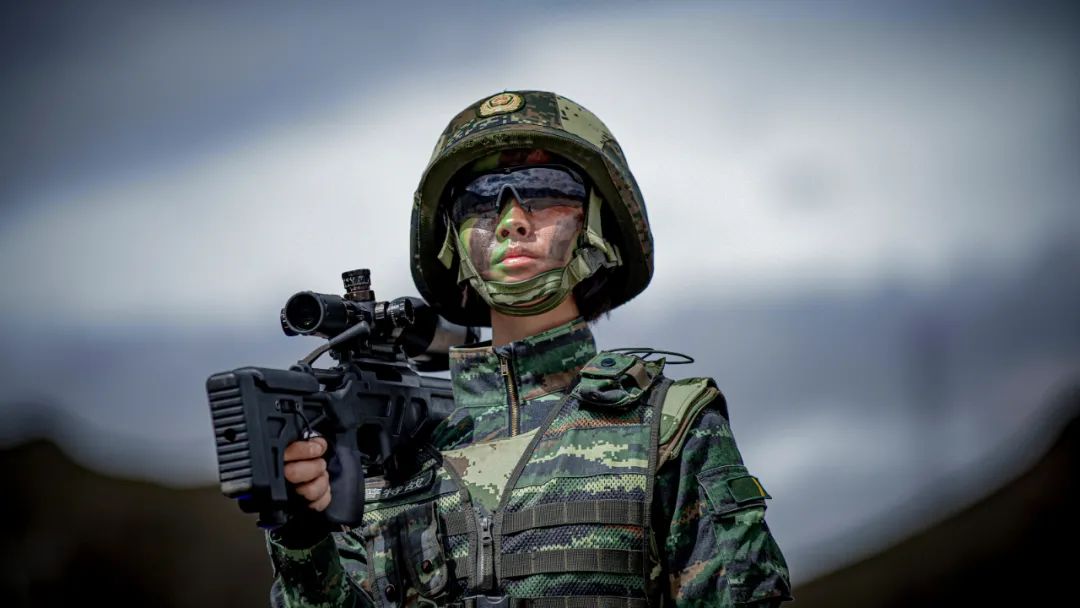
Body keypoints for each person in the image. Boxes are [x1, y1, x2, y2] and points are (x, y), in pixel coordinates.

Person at [263, 90, 793, 607]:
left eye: (544, 191)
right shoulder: (389, 454)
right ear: (453, 237)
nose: (513, 220)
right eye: (482, 199)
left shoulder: (668, 426)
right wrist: (301, 538)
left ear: (595, 226)